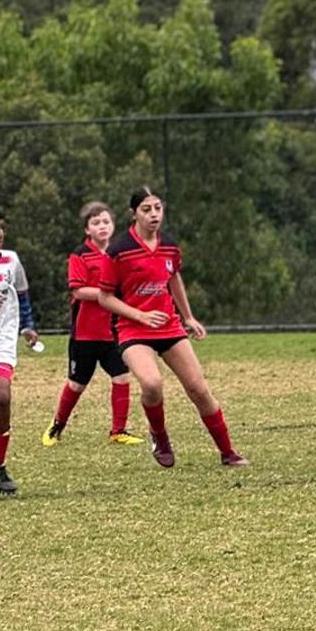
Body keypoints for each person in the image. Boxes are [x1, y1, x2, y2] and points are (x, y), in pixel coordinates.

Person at [98, 187, 247, 470]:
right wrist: (140, 315)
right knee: (152, 384)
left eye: (158, 208)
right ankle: (159, 435)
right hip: (132, 329)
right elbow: (105, 298)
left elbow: (174, 277)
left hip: (168, 326)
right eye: (146, 209)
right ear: (133, 214)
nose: (154, 214)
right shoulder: (119, 250)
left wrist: (188, 317)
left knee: (198, 389)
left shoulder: (169, 246)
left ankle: (228, 452)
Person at [43, 201, 143, 448]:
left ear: (113, 225)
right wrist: (107, 294)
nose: (102, 226)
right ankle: (57, 426)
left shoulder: (118, 254)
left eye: (106, 222)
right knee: (77, 384)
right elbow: (78, 290)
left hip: (114, 333)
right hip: (85, 335)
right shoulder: (80, 255)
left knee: (122, 377)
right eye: (96, 223)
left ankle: (118, 431)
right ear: (87, 229)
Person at [0, 203, 42, 496]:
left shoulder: (11, 261)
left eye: (0, 228)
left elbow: (21, 295)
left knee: (1, 397)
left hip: (0, 340)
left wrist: (28, 325)